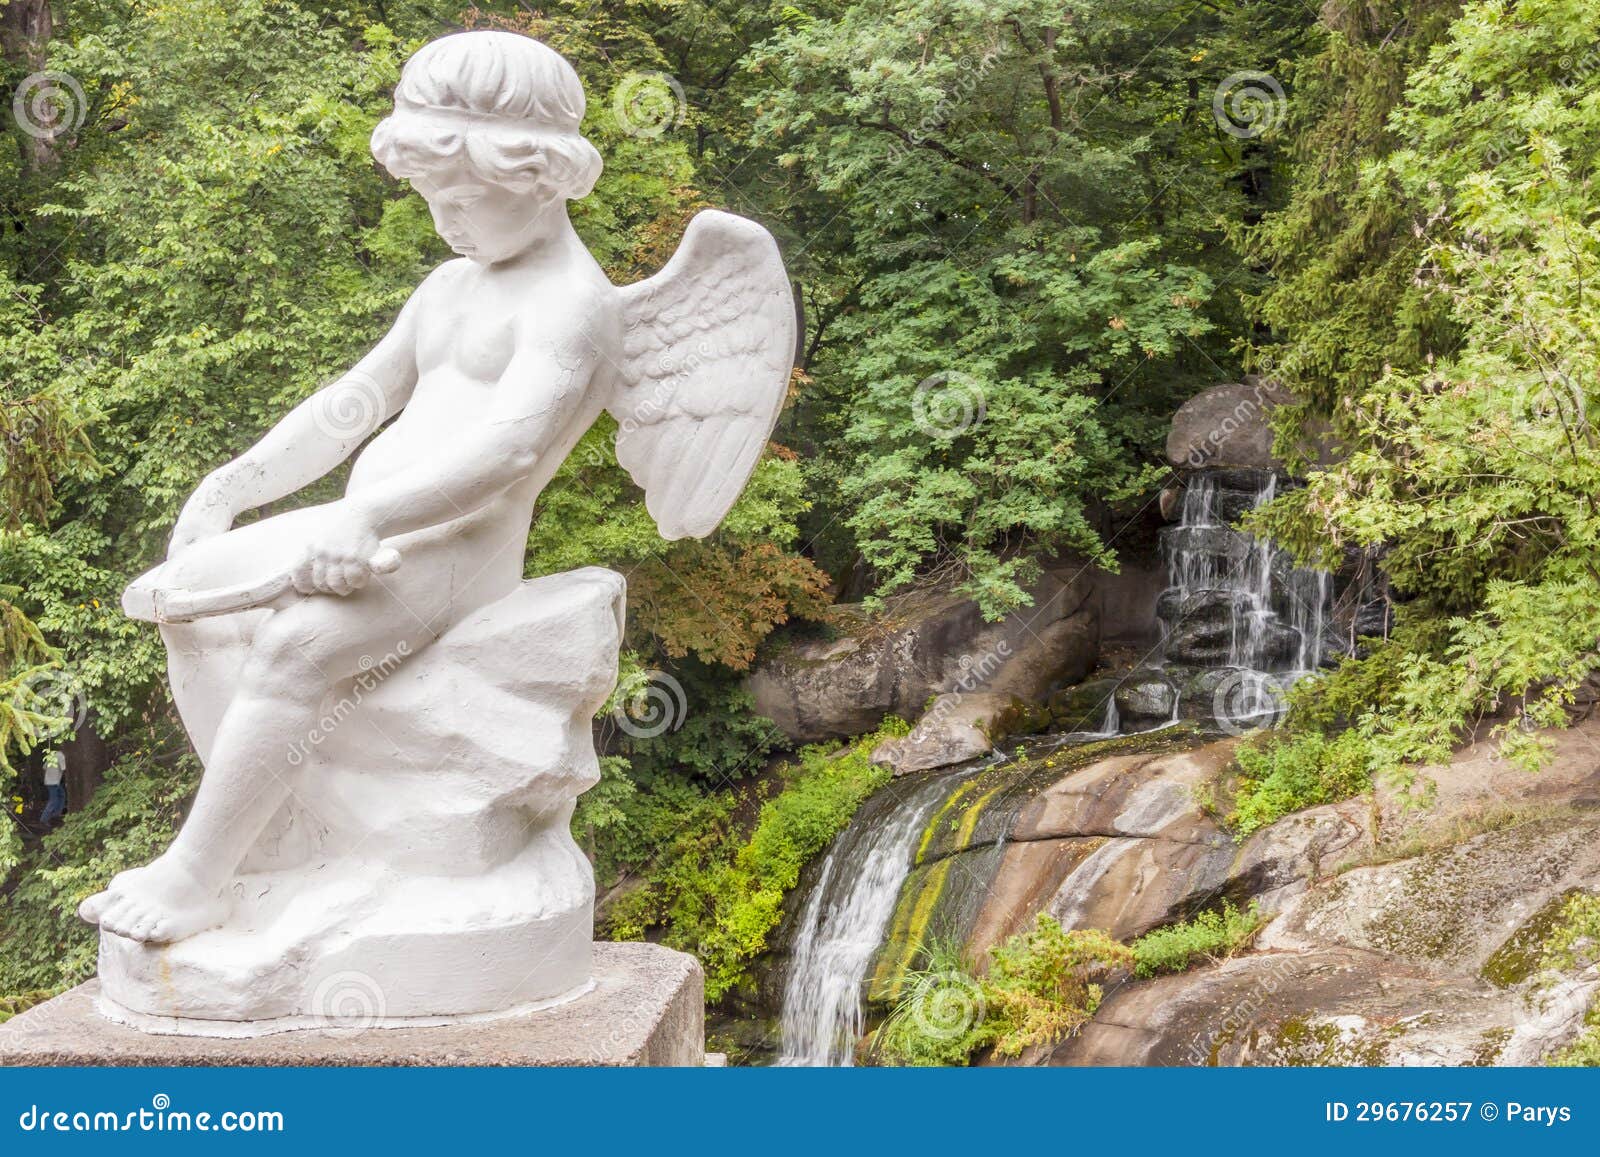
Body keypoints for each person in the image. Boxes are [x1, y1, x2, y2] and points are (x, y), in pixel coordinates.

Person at [40, 753, 66, 826]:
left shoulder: (52, 755)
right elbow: (64, 769)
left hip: (50, 781)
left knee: (61, 795)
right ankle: (44, 819)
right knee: (53, 800)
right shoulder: (61, 756)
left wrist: (46, 778)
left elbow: (44, 768)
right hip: (54, 782)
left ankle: (56, 814)